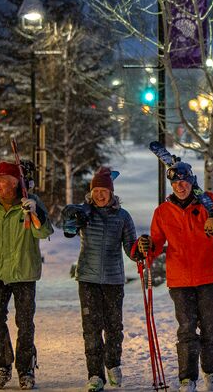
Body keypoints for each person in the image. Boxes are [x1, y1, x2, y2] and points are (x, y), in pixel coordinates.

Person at [137, 162, 213, 392]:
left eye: (183, 182)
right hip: (179, 279)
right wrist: (145, 247)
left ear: (191, 182)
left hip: (206, 276)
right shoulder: (162, 211)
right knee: (186, 329)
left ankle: (210, 374)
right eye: (175, 183)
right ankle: (187, 379)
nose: (180, 186)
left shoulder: (205, 202)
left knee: (210, 328)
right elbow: (156, 243)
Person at [0, 161, 53, 390]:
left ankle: (26, 369)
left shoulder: (30, 202)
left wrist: (35, 213)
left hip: (23, 272)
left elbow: (45, 232)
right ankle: (2, 365)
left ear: (15, 182)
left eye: (2, 181)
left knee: (25, 323)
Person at [62, 167, 138, 392]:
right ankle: (95, 375)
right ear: (91, 192)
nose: (100, 195)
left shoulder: (123, 216)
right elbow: (69, 228)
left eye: (104, 191)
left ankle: (113, 364)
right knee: (91, 328)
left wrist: (141, 250)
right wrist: (71, 216)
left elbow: (131, 248)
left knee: (114, 327)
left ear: (112, 193)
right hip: (88, 278)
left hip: (113, 279)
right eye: (96, 191)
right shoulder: (85, 213)